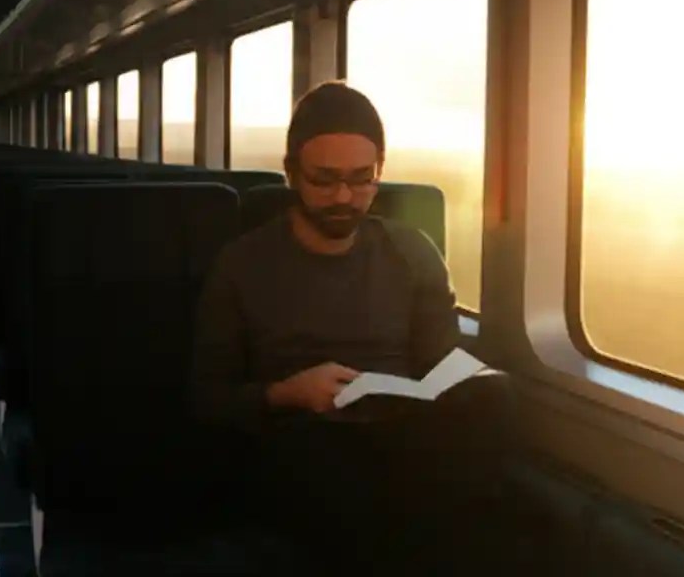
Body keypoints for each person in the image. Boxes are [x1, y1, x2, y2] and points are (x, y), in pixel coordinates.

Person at [192, 82, 515, 575]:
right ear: (291, 174)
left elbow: (440, 364)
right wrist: (286, 394)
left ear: (379, 173)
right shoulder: (241, 265)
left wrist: (465, 389)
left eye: (361, 179)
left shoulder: (413, 252)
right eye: (323, 180)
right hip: (299, 443)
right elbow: (207, 399)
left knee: (495, 405)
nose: (344, 196)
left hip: (403, 440)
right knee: (332, 477)